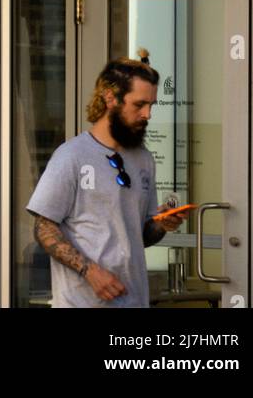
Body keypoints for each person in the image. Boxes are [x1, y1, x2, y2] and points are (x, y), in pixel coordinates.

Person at [26, 49, 190, 307]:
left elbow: (140, 235)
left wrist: (162, 224)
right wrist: (89, 271)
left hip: (133, 300)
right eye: (139, 105)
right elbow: (43, 227)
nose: (148, 114)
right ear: (110, 98)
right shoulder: (71, 156)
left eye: (151, 105)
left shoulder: (144, 159)